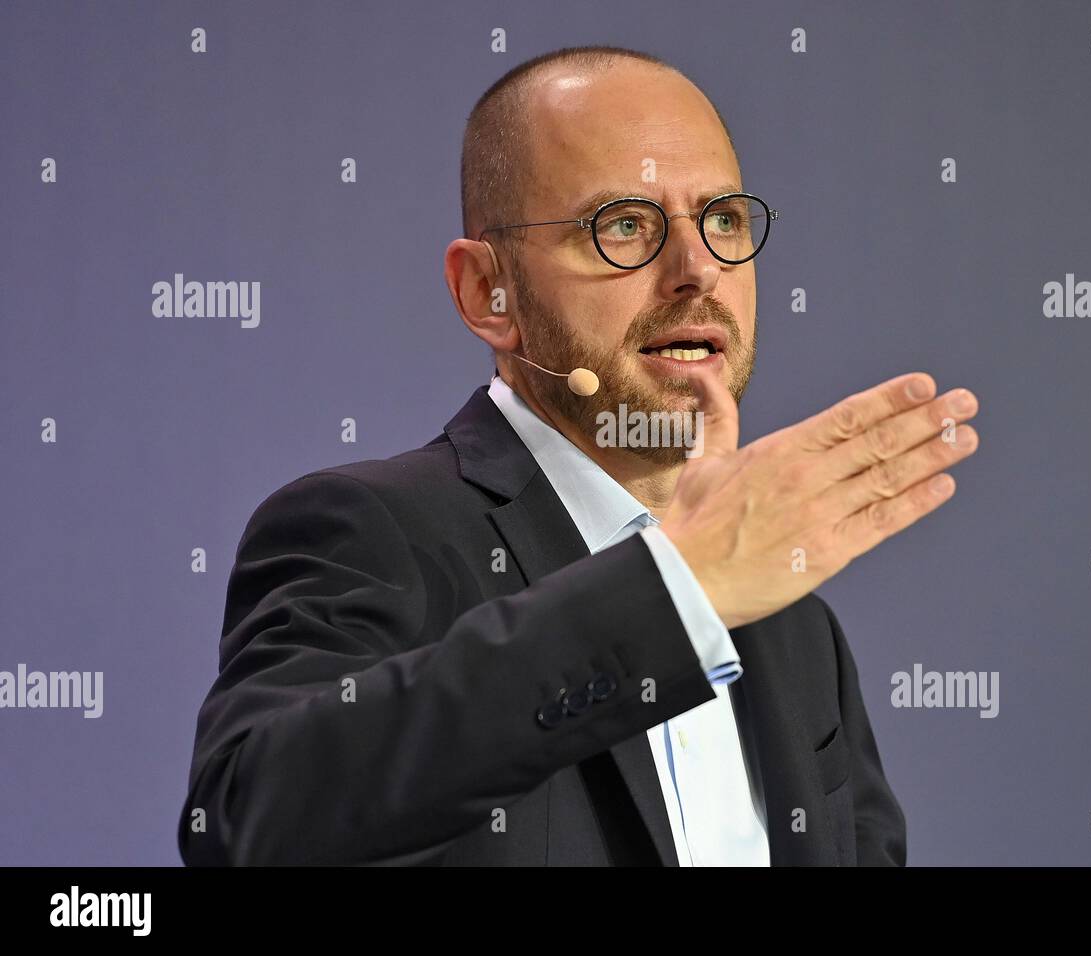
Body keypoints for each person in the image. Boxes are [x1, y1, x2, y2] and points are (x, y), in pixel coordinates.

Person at [178, 45, 980, 866]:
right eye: (624, 225)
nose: (696, 270)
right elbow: (251, 823)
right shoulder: (371, 530)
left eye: (723, 220)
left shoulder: (792, 620)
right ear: (486, 294)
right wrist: (674, 595)